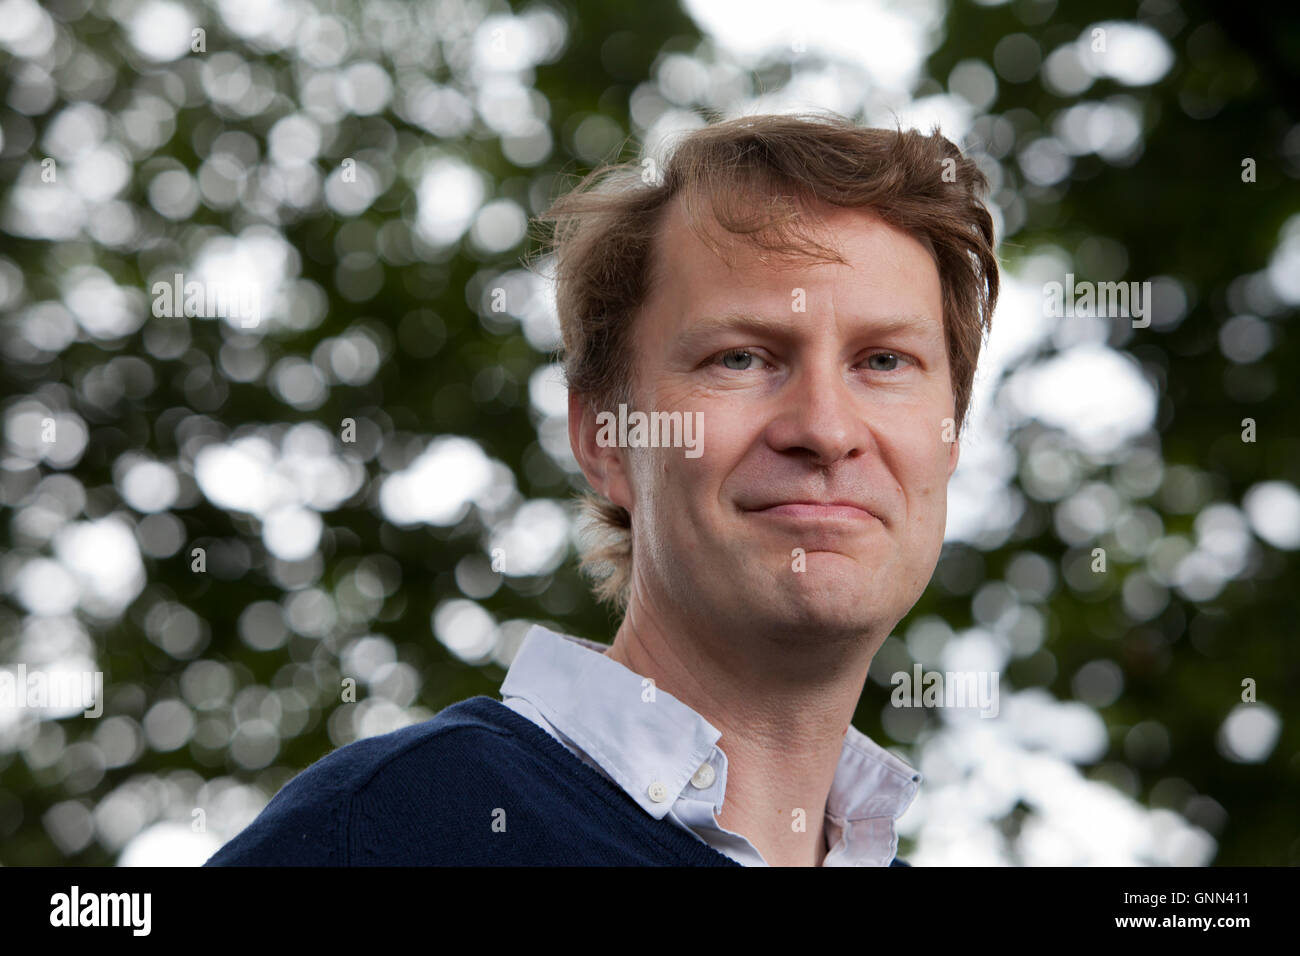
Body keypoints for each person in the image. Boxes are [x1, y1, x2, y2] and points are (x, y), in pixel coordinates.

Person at [205, 112, 999, 867]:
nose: (826, 429)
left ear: (951, 439)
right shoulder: (379, 835)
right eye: (742, 359)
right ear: (604, 440)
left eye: (885, 362)